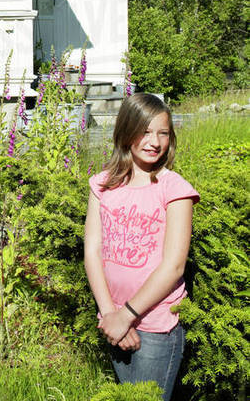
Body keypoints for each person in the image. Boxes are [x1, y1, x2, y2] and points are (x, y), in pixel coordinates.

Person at [84, 92, 199, 400]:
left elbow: (174, 265)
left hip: (156, 324)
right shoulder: (102, 185)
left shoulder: (175, 190)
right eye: (145, 131)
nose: (154, 141)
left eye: (163, 133)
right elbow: (93, 251)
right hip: (112, 320)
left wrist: (128, 315)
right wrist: (111, 315)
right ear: (126, 131)